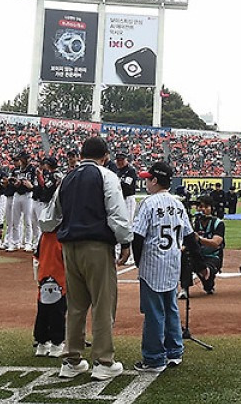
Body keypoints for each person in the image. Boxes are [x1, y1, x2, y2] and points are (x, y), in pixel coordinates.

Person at [40, 136, 134, 381]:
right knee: (103, 303)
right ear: (105, 157)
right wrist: (125, 241)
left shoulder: (67, 179)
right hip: (96, 245)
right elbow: (117, 214)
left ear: (81, 154)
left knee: (76, 305)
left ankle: (71, 360)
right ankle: (103, 361)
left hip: (68, 247)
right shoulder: (106, 176)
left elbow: (48, 218)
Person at [130, 161, 207, 373]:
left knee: (154, 312)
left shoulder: (148, 203)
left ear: (155, 180)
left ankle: (154, 358)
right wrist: (200, 264)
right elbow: (190, 238)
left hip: (153, 263)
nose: (146, 182)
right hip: (172, 262)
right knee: (171, 308)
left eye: (148, 178)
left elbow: (137, 237)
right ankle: (174, 351)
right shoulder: (178, 204)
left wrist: (138, 261)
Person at [32, 204, 66, 358]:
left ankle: (41, 342)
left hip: (44, 277)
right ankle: (57, 343)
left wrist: (38, 278)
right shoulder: (62, 237)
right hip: (60, 280)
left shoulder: (44, 237)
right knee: (58, 312)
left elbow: (36, 258)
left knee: (43, 311)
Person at [180, 195, 225, 298]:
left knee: (207, 279)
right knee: (185, 258)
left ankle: (208, 284)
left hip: (213, 256)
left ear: (211, 208)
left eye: (206, 207)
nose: (203, 209)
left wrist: (199, 239)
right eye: (200, 206)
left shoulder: (218, 223)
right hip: (198, 255)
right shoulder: (194, 222)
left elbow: (216, 243)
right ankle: (184, 289)